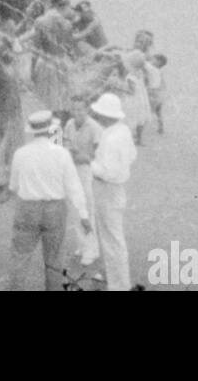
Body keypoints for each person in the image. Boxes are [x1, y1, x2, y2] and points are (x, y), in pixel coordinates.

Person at [8, 110, 92, 291]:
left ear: (32, 131)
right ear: (50, 130)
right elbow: (74, 186)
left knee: (20, 256)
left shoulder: (20, 154)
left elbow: (13, 186)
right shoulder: (61, 154)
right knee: (54, 260)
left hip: (27, 207)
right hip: (55, 209)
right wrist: (83, 214)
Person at [89, 93, 137, 291]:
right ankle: (112, 276)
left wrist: (89, 162)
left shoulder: (110, 139)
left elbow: (106, 172)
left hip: (107, 187)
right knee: (110, 235)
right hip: (116, 188)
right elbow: (132, 155)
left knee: (112, 238)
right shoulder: (123, 131)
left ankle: (119, 285)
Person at [62, 97, 102, 266]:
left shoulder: (94, 127)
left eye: (81, 109)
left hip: (86, 171)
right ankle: (82, 245)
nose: (77, 113)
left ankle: (92, 250)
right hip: (71, 169)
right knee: (74, 209)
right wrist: (69, 152)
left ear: (87, 110)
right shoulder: (69, 124)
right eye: (74, 109)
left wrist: (83, 157)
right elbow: (64, 144)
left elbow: (98, 154)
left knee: (87, 209)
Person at [0, 49, 24, 201]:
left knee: (2, 144)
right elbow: (9, 100)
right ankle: (2, 177)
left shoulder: (2, 76)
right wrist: (11, 117)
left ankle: (2, 175)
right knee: (5, 145)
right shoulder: (6, 79)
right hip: (7, 115)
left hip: (1, 114)